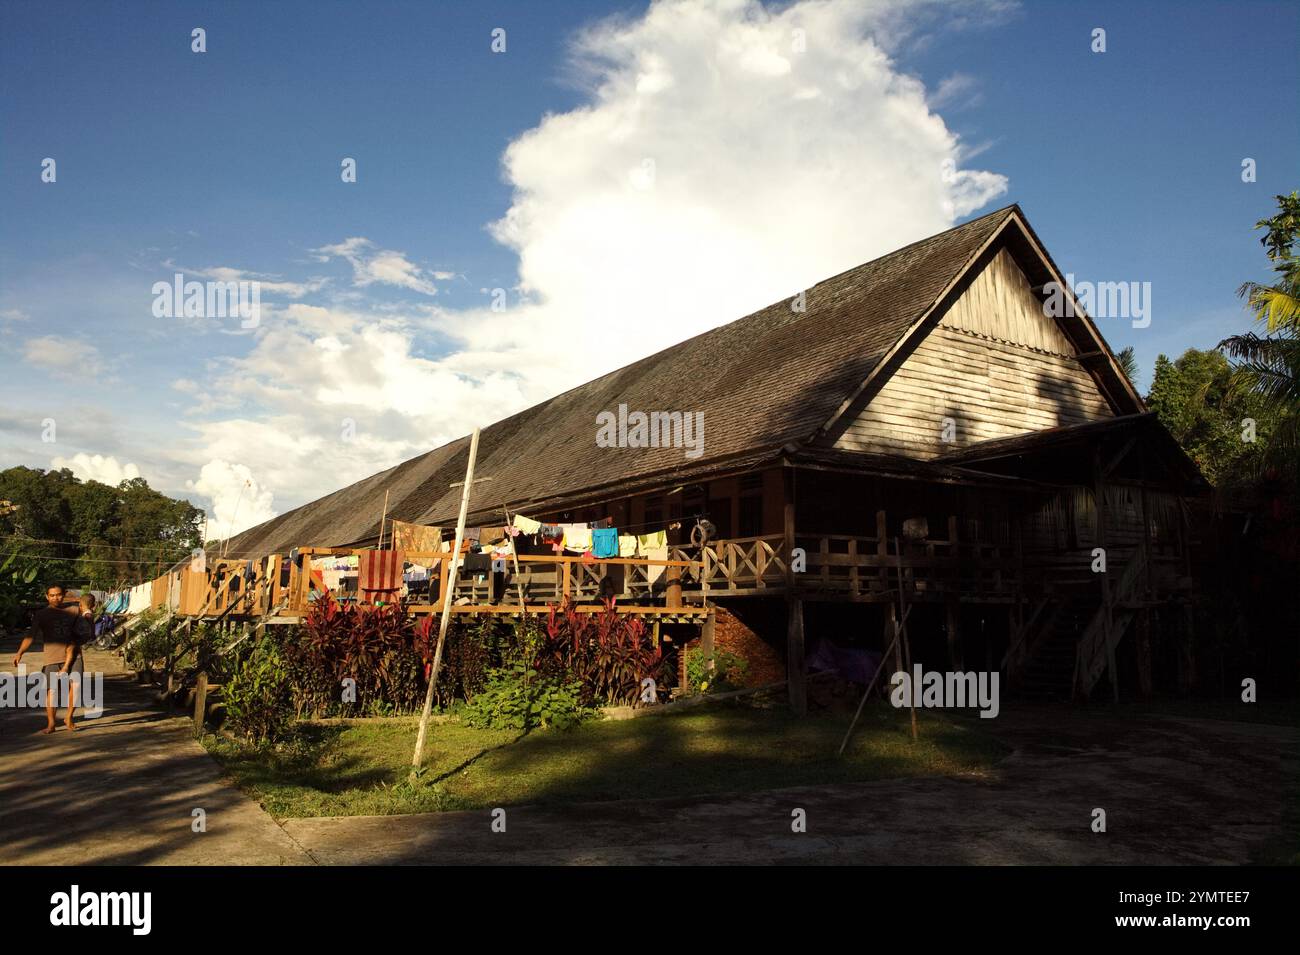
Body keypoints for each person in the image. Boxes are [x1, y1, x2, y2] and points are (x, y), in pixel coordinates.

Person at [11, 584, 83, 734]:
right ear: (46, 596)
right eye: (52, 595)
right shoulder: (42, 615)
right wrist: (20, 652)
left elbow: (88, 613)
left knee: (76, 687)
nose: (56, 598)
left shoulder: (75, 610)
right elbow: (31, 636)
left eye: (58, 594)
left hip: (74, 655)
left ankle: (68, 718)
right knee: (52, 690)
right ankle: (51, 723)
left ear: (64, 594)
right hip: (52, 656)